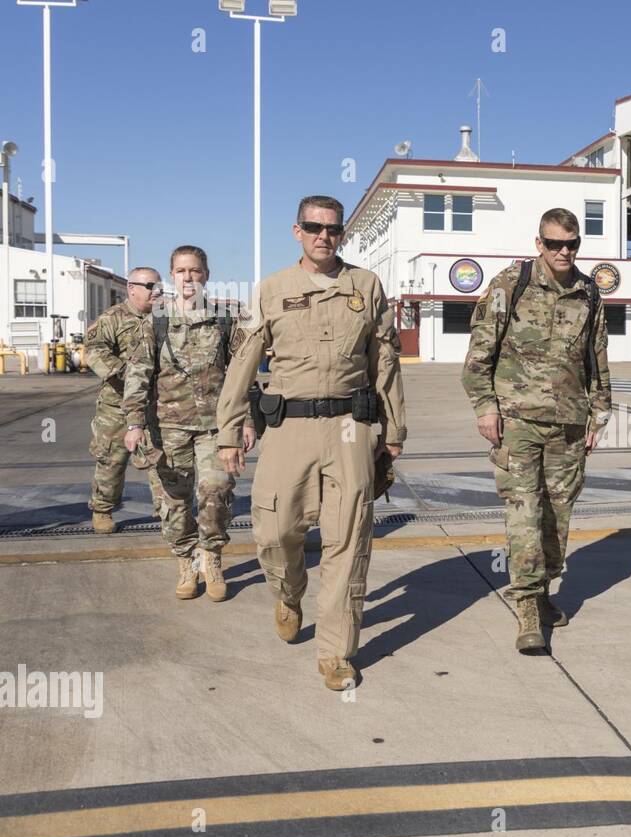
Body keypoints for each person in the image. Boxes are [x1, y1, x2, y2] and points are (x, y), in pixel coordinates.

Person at [215, 195, 406, 692]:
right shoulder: (274, 289)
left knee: (349, 541)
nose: (324, 236)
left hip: (350, 427)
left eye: (333, 229)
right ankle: (288, 592)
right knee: (275, 531)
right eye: (313, 227)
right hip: (289, 430)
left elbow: (384, 360)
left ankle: (336, 653)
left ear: (341, 233)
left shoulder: (366, 286)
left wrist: (394, 431)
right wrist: (229, 432)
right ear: (296, 230)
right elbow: (243, 363)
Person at [462, 208, 611, 653]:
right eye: (554, 243)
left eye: (572, 244)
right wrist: (486, 408)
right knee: (525, 511)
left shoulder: (587, 293)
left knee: (557, 516)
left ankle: (544, 590)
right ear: (538, 244)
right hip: (517, 421)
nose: (564, 251)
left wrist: (598, 414)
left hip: (569, 423)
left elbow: (596, 360)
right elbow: (477, 357)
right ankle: (526, 603)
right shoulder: (510, 286)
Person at [123, 246, 253, 601]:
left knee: (215, 493)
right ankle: (186, 561)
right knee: (175, 501)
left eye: (195, 270)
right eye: (181, 271)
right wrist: (134, 423)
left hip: (217, 428)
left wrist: (247, 421)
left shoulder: (226, 319)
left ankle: (211, 557)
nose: (188, 277)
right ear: (172, 276)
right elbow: (138, 375)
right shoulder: (156, 322)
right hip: (168, 429)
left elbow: (243, 375)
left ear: (206, 275)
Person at [84, 267, 164, 532]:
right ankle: (102, 510)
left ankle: (167, 511)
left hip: (155, 404)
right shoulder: (112, 318)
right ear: (132, 288)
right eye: (150, 285)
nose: (157, 291)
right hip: (116, 405)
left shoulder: (165, 319)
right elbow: (94, 352)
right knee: (112, 460)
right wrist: (128, 374)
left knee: (161, 459)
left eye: (159, 285)